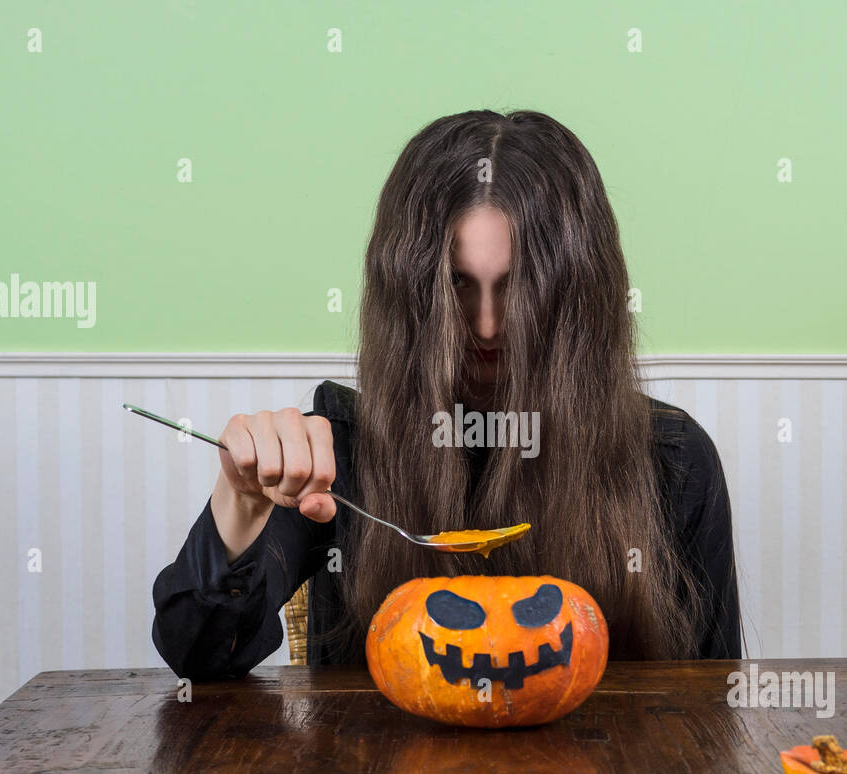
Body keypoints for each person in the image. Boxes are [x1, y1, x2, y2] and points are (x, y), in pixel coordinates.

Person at [152, 109, 742, 680]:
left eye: (518, 288)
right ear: (408, 294)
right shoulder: (338, 454)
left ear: (576, 301)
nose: (486, 326)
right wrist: (241, 504)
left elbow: (712, 709)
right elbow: (199, 656)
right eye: (457, 284)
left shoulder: (672, 458)